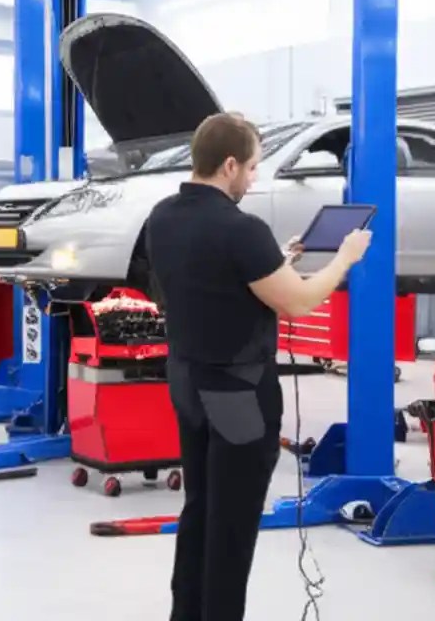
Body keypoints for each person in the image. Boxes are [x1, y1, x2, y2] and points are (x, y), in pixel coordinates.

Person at [145, 112, 372, 621]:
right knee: (232, 527)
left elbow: (209, 281)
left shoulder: (162, 216)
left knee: (200, 509)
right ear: (229, 165)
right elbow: (298, 303)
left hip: (186, 380)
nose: (253, 178)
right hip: (238, 393)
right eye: (251, 168)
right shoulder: (241, 228)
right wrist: (345, 258)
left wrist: (275, 262)